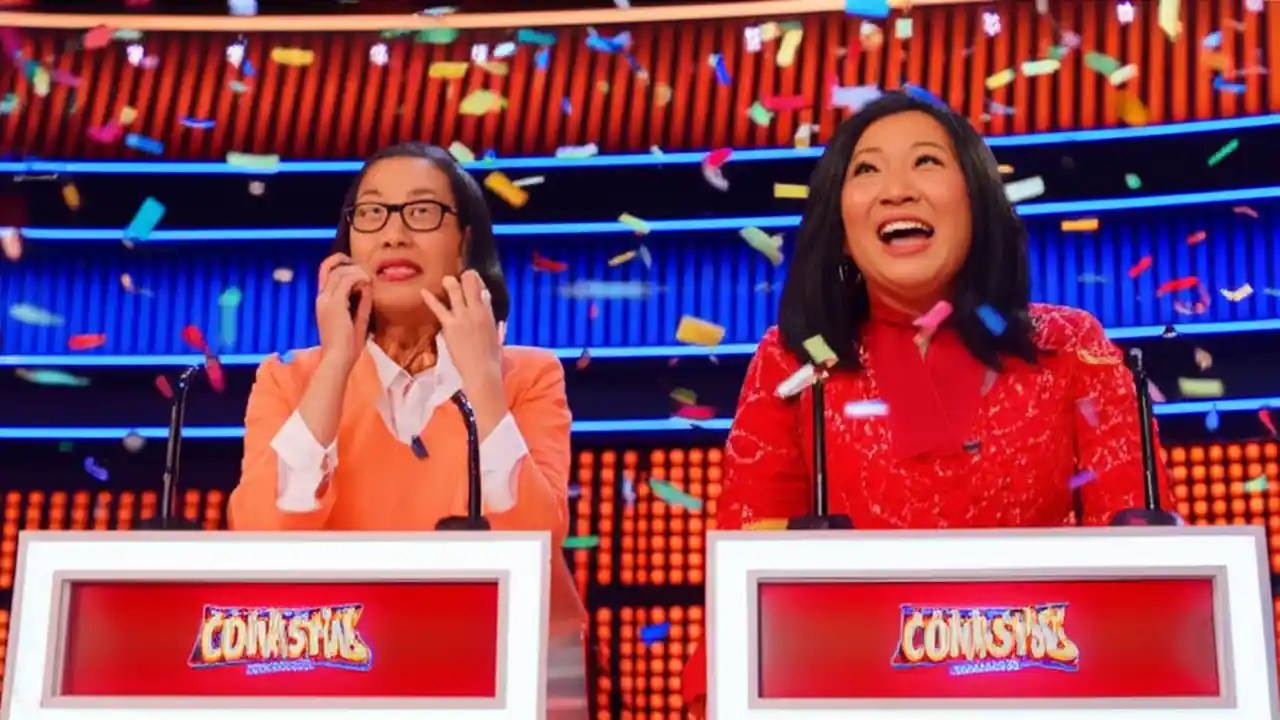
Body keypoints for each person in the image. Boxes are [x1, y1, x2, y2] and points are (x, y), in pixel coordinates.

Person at [678, 91, 1175, 716]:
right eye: (867, 170)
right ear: (841, 217)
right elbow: (751, 584)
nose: (896, 191)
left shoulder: (1071, 346)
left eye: (926, 163)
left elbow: (1149, 565)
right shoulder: (796, 362)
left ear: (977, 200)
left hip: (1046, 687)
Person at [228, 143, 587, 710]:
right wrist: (335, 365)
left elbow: (538, 540)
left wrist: (482, 380)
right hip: (334, 678)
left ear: (465, 241)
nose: (393, 234)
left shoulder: (529, 376)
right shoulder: (288, 380)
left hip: (500, 678)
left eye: (421, 212)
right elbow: (261, 539)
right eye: (371, 213)